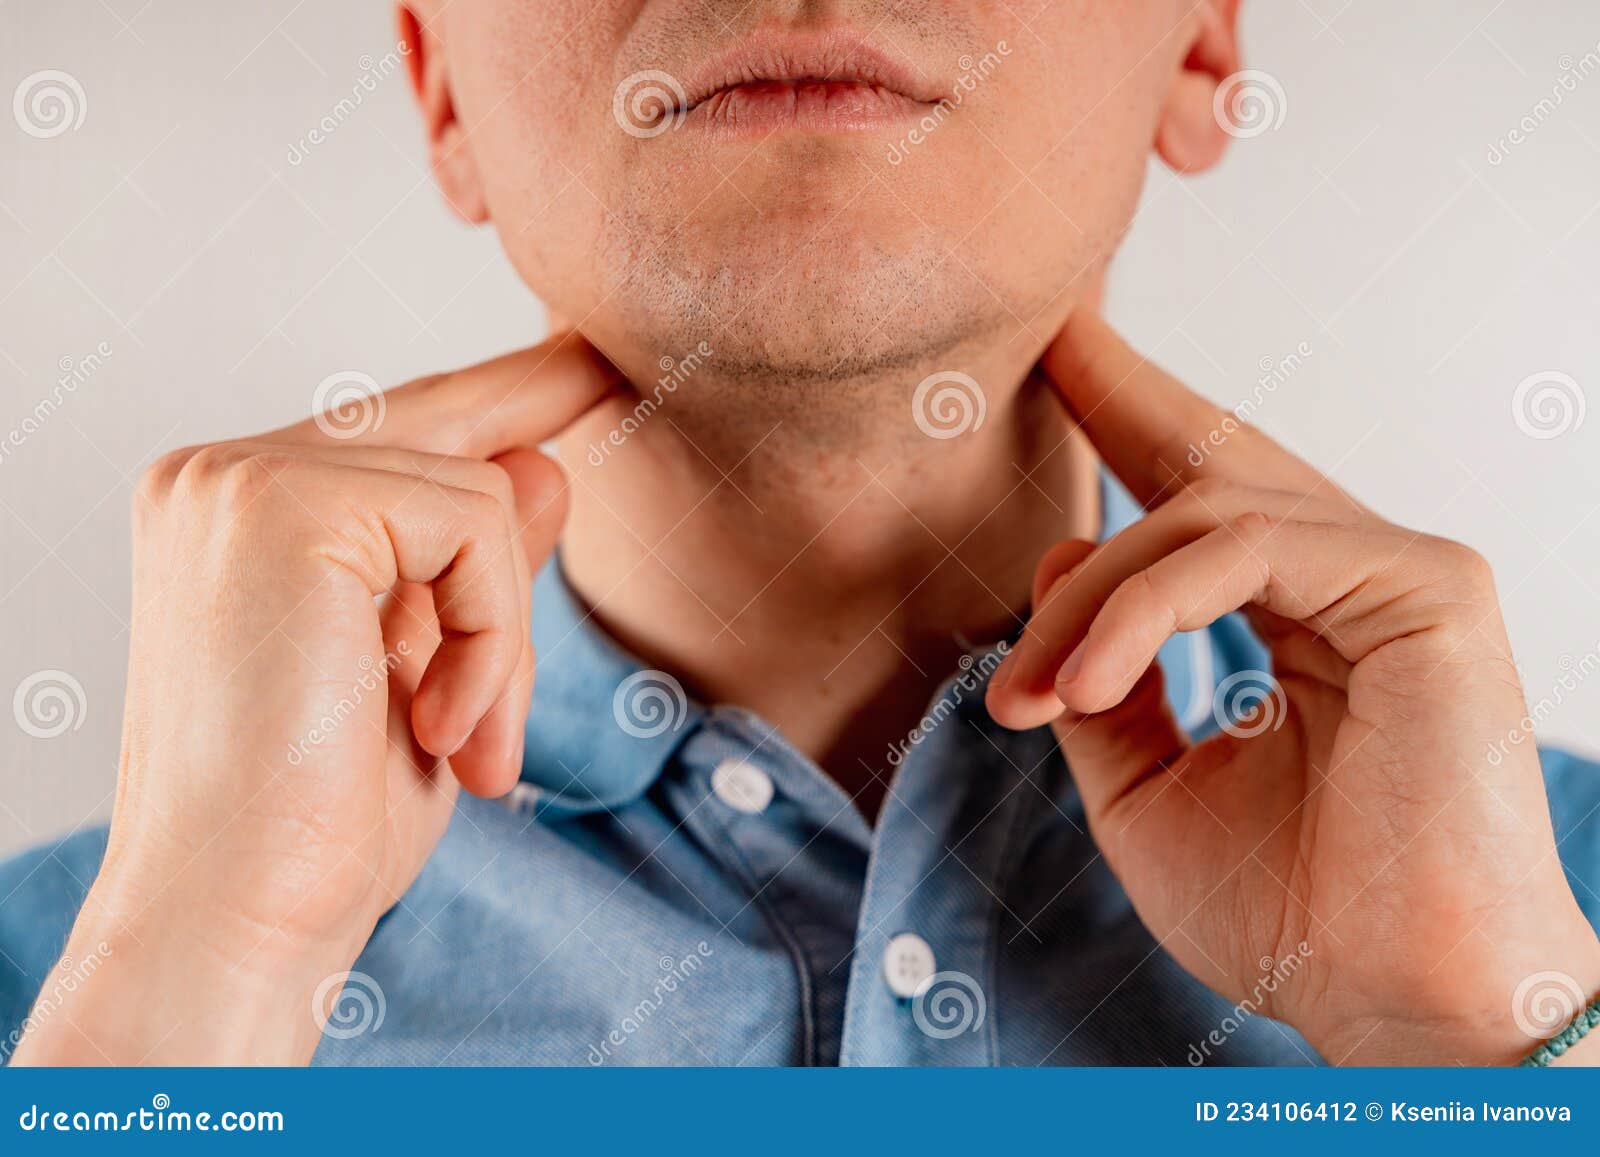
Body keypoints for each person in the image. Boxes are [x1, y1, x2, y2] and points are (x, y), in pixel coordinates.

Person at [4, 0, 1599, 1067]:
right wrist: (185, 997)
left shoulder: (1556, 934)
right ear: (441, 81)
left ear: (1200, 42)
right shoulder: (78, 1004)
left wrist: (1491, 1045)